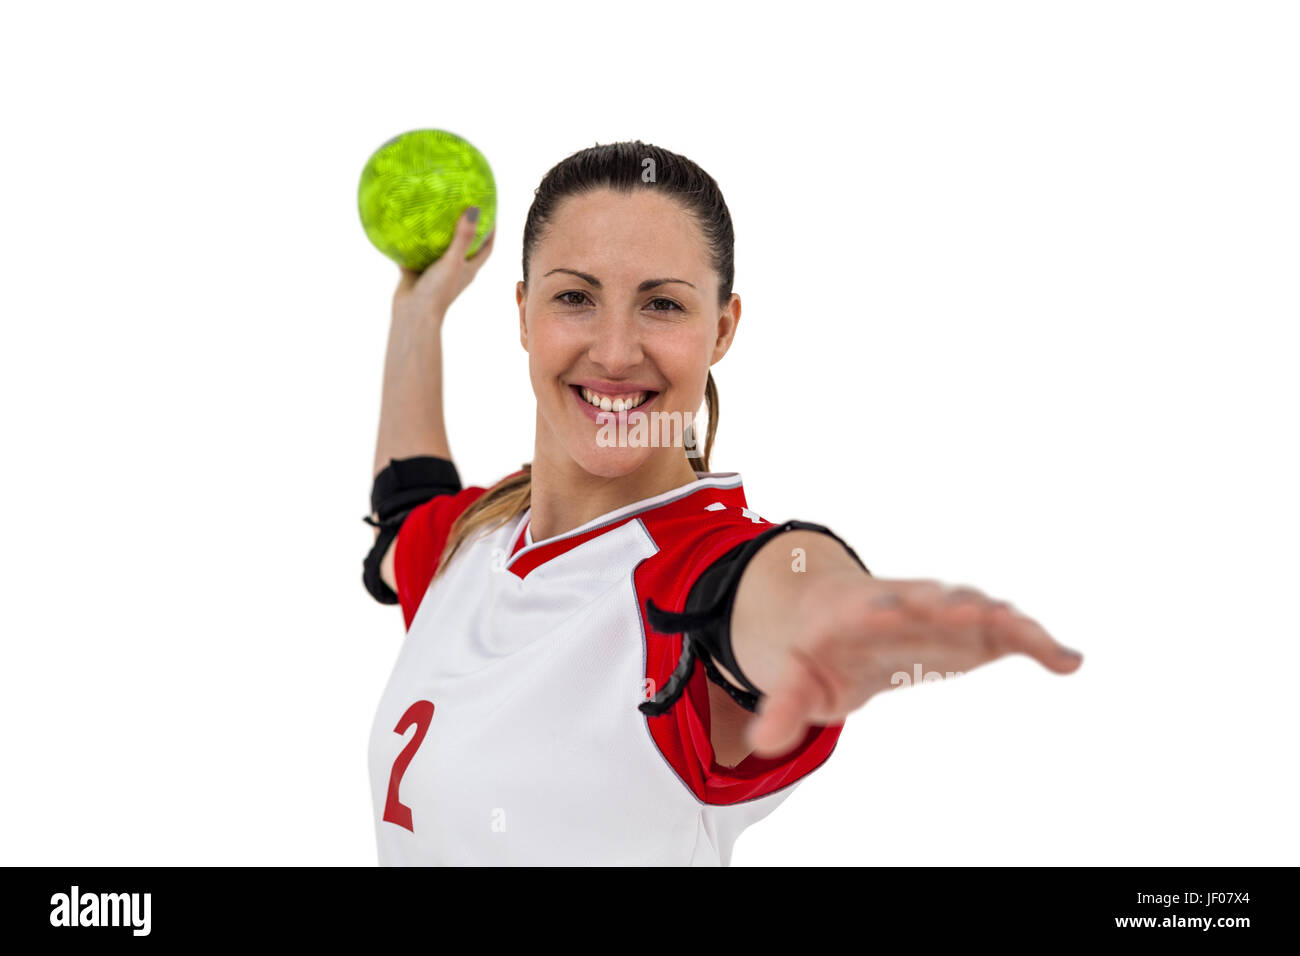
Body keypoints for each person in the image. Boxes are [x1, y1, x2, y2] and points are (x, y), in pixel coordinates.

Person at [361, 141, 1084, 866]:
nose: (615, 352)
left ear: (723, 329)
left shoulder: (690, 571)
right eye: (575, 297)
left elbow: (758, 596)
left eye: (663, 304)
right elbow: (405, 510)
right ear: (523, 313)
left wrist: (832, 611)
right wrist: (418, 312)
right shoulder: (479, 540)